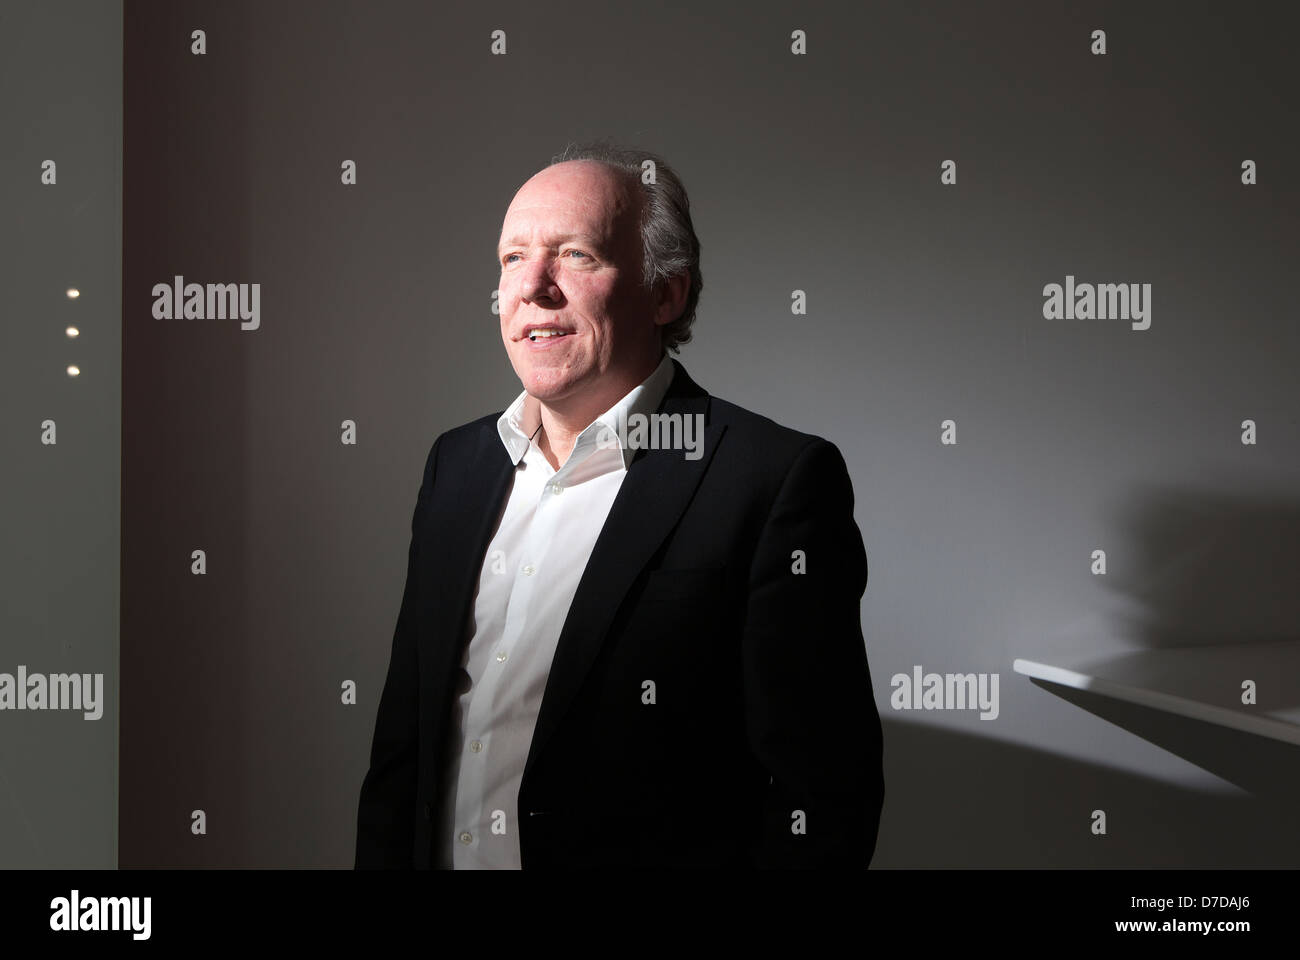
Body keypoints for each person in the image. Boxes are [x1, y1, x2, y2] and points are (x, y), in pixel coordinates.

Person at [355, 141, 884, 868]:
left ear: (666, 293)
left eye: (575, 255)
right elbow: (403, 750)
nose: (532, 286)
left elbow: (822, 795)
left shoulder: (772, 481)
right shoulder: (458, 465)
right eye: (513, 258)